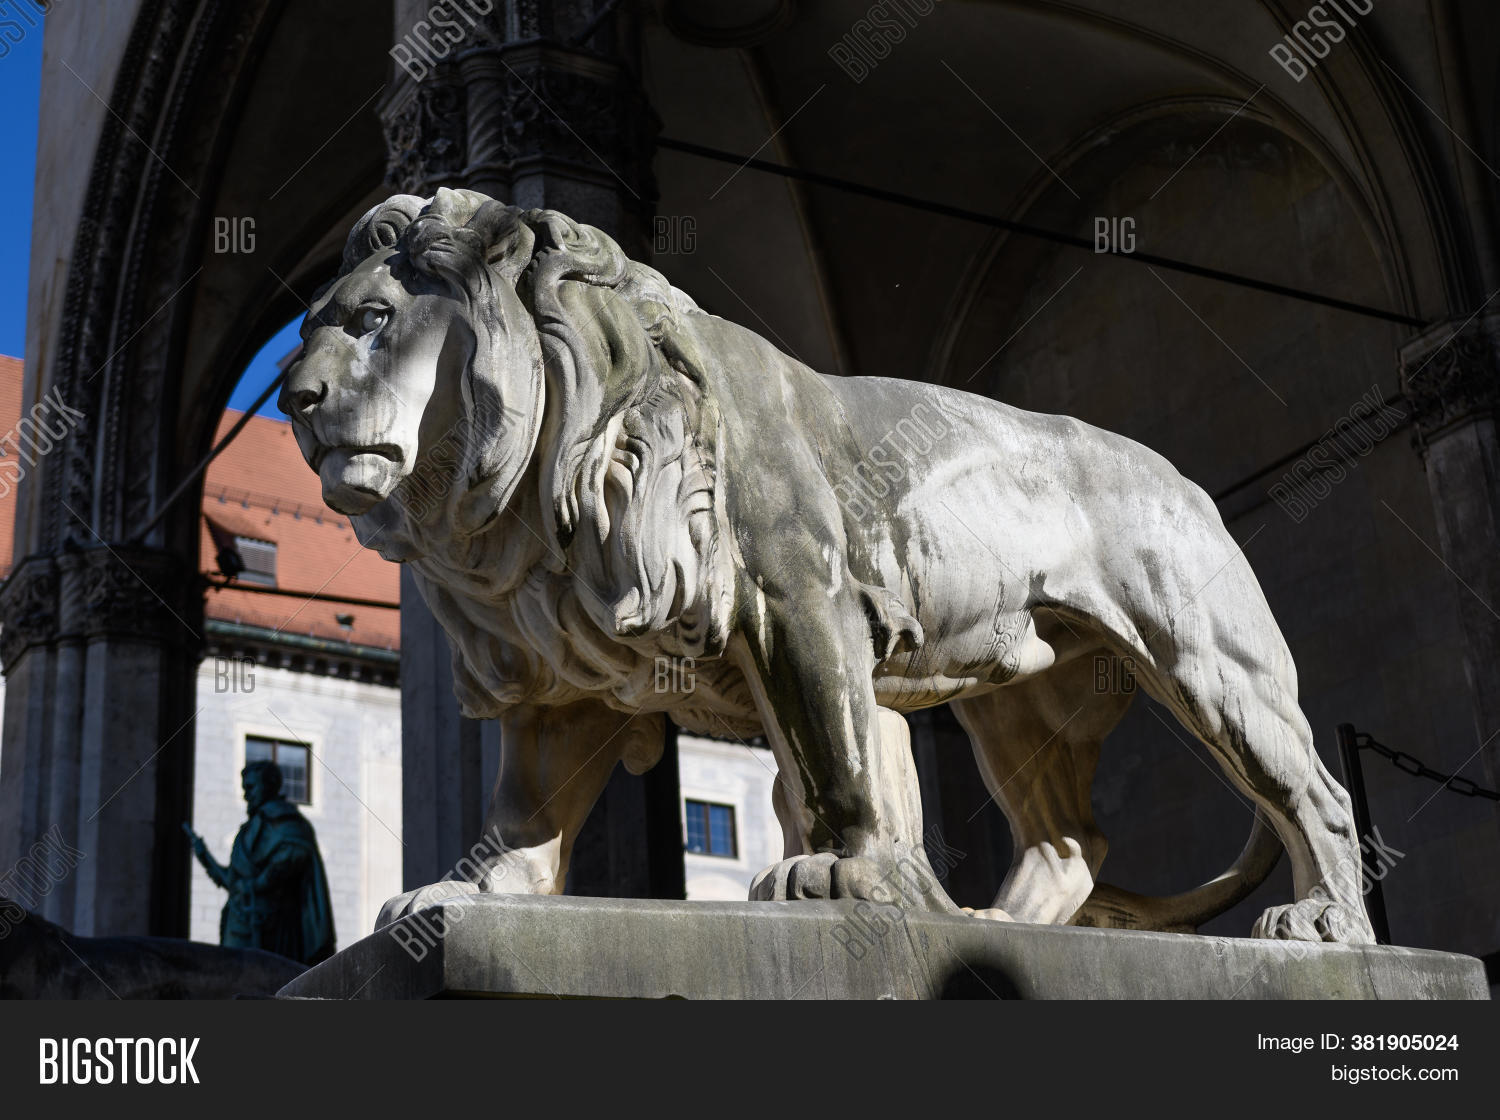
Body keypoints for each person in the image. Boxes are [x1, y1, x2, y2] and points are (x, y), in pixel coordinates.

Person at [183, 760, 335, 966]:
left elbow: (295, 856)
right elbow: (233, 883)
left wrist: (257, 884)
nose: (246, 795)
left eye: (251, 787)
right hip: (237, 927)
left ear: (270, 785)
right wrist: (205, 857)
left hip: (273, 929)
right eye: (245, 789)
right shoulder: (245, 831)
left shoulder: (290, 823)